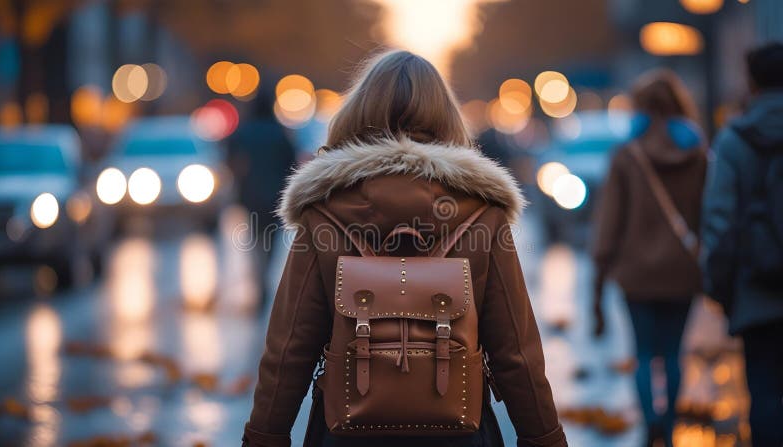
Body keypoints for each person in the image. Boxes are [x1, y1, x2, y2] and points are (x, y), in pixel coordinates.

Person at [242, 50, 567, 447]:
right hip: (460, 431)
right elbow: (516, 352)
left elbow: (289, 348)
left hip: (346, 432)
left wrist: (264, 437)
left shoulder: (324, 211)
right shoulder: (483, 213)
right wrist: (545, 438)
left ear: (358, 113)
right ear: (446, 117)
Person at [591, 70, 707, 447]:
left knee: (643, 354)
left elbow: (609, 225)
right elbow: (710, 214)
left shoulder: (627, 156)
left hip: (636, 273)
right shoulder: (698, 154)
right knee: (673, 353)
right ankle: (669, 429)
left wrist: (598, 283)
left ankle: (649, 427)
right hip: (683, 270)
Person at [701, 42, 783, 446]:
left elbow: (719, 223)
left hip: (757, 292)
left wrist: (720, 288)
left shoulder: (734, 141)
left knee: (765, 395)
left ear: (751, 84)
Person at [227, 80, 297, 311]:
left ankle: (260, 282)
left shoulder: (244, 132)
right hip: (276, 197)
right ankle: (264, 278)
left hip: (251, 195)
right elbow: (292, 164)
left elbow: (231, 160)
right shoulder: (279, 132)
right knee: (270, 242)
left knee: (255, 241)